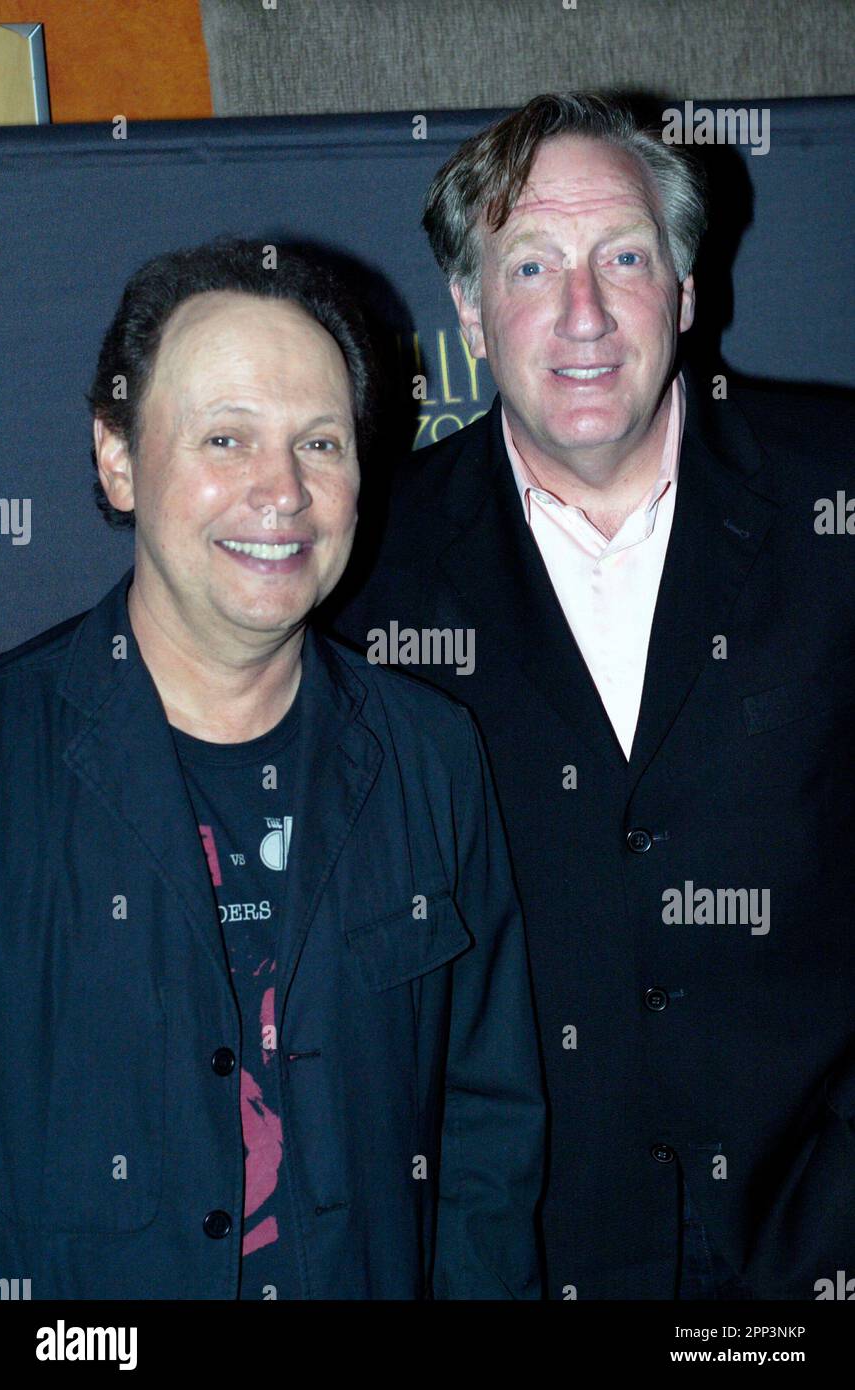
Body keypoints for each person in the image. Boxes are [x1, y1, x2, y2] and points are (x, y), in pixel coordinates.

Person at [333, 94, 855, 1300]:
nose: (581, 311)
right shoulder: (361, 564)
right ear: (467, 306)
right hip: (517, 1256)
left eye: (621, 255)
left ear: (682, 284)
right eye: (531, 264)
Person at [0, 237, 545, 1300]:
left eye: (320, 443)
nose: (279, 491)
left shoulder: (429, 757)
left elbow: (487, 1132)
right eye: (225, 439)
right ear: (116, 455)